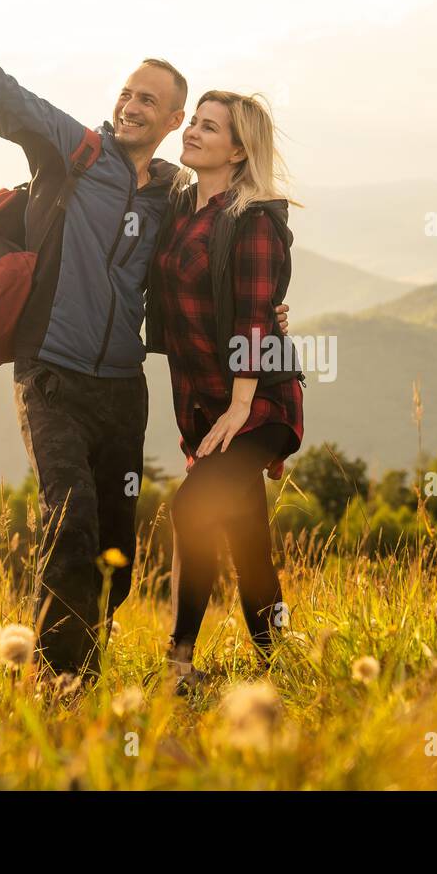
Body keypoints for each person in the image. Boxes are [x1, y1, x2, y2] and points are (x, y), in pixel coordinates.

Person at [0, 0, 288, 680]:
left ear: (174, 120)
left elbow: (230, 262)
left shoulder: (173, 196)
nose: (131, 106)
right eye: (127, 93)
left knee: (115, 554)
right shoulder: (70, 152)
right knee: (67, 524)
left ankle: (91, 664)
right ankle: (59, 681)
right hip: (52, 378)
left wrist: (272, 316)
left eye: (149, 102)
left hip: (123, 393)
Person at [145, 91, 304, 690]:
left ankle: (179, 662)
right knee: (248, 540)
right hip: (206, 403)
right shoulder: (178, 205)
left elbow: (256, 318)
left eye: (208, 128)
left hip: (256, 402)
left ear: (237, 149)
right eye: (192, 121)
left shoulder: (253, 219)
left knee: (193, 507)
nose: (192, 131)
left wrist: (240, 406)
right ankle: (279, 663)